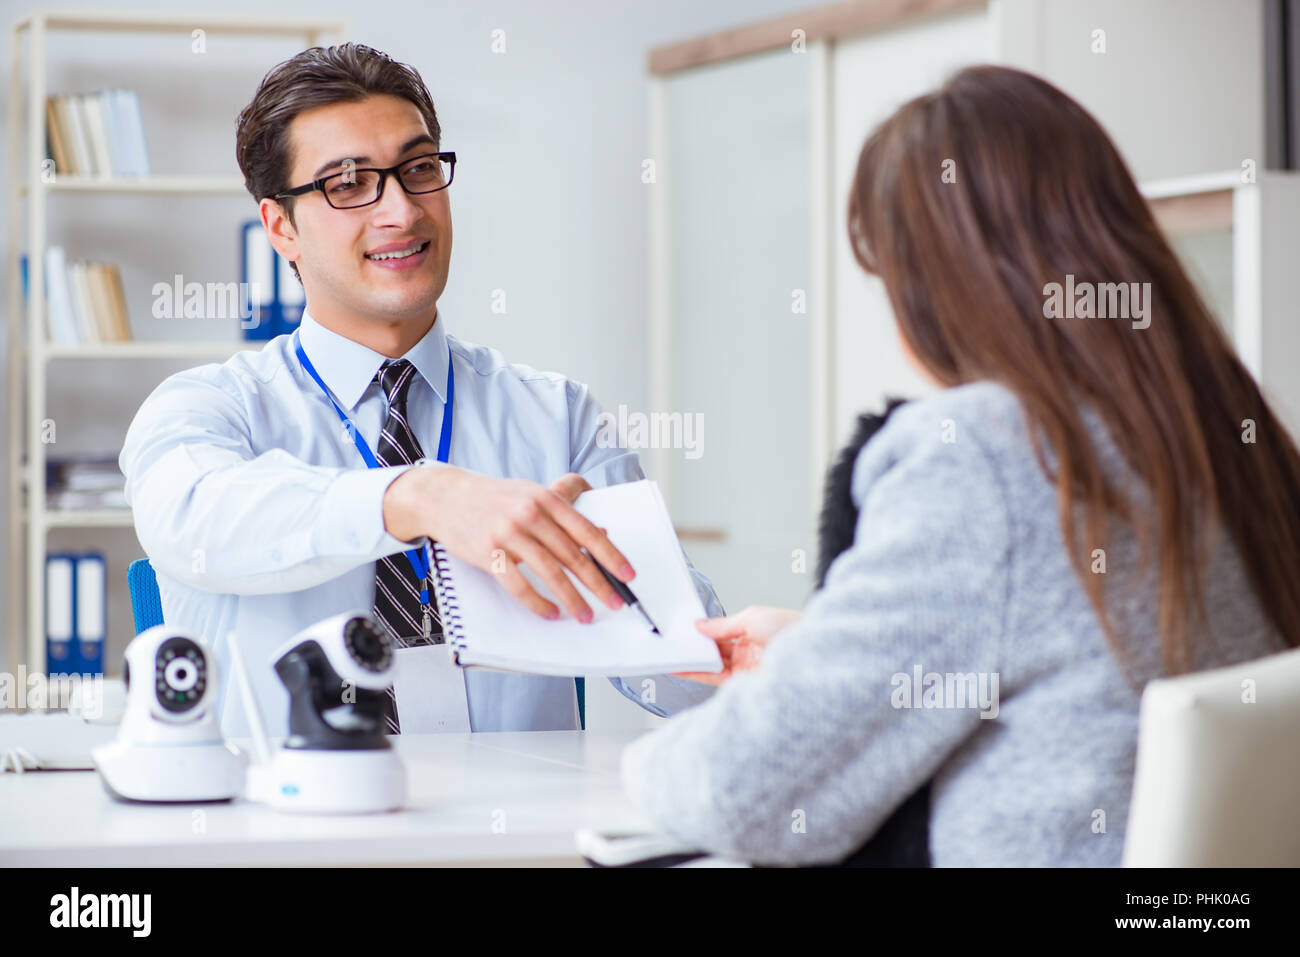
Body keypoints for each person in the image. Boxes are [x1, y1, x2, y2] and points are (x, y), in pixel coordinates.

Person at [628, 64, 1300, 866]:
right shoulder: (1220, 421)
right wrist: (823, 651)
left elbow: (742, 790)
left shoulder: (989, 452)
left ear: (938, 289)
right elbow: (1064, 654)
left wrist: (639, 765)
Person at [120, 43, 720, 738]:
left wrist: (627, 573)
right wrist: (419, 496)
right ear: (281, 226)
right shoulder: (210, 407)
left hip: (509, 842)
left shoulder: (559, 418)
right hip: (290, 835)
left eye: (420, 168)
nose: (401, 211)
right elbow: (188, 514)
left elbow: (698, 685)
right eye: (347, 184)